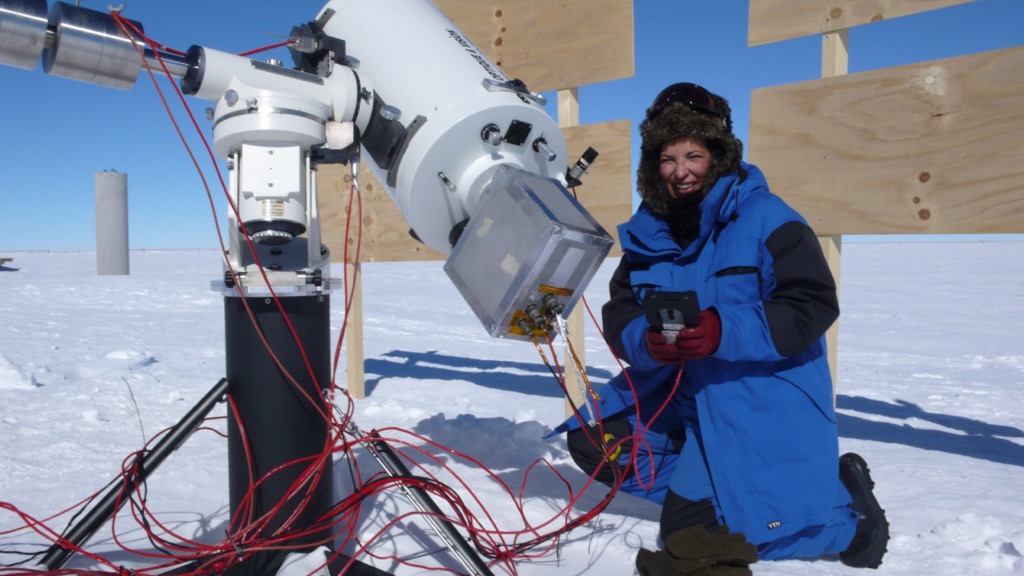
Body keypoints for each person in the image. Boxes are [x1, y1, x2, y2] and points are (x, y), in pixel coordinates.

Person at [557, 82, 890, 575]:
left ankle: (852, 526)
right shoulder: (649, 230)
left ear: (719, 154)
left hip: (752, 397)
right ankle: (727, 491)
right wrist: (645, 343)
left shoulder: (768, 217)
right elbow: (622, 310)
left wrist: (721, 330)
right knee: (593, 438)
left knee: (691, 545)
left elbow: (811, 303)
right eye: (667, 158)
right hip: (677, 395)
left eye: (694, 154)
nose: (681, 170)